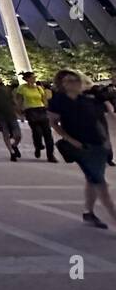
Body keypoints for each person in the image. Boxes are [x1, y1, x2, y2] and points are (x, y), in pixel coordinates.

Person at [49, 69, 116, 229]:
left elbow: (100, 120)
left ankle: (89, 213)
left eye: (76, 80)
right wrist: (70, 140)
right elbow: (53, 123)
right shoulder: (58, 101)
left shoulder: (87, 99)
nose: (73, 83)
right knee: (101, 184)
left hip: (97, 145)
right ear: (62, 84)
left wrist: (106, 141)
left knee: (93, 179)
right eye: (68, 81)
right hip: (80, 147)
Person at [16, 71, 56, 162]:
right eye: (32, 77)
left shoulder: (39, 88)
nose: (34, 79)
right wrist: (20, 113)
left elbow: (44, 99)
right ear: (27, 79)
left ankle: (50, 155)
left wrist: (47, 108)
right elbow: (19, 101)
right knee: (37, 132)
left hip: (41, 110)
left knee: (48, 134)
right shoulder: (22, 88)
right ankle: (38, 146)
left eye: (35, 77)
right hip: (30, 111)